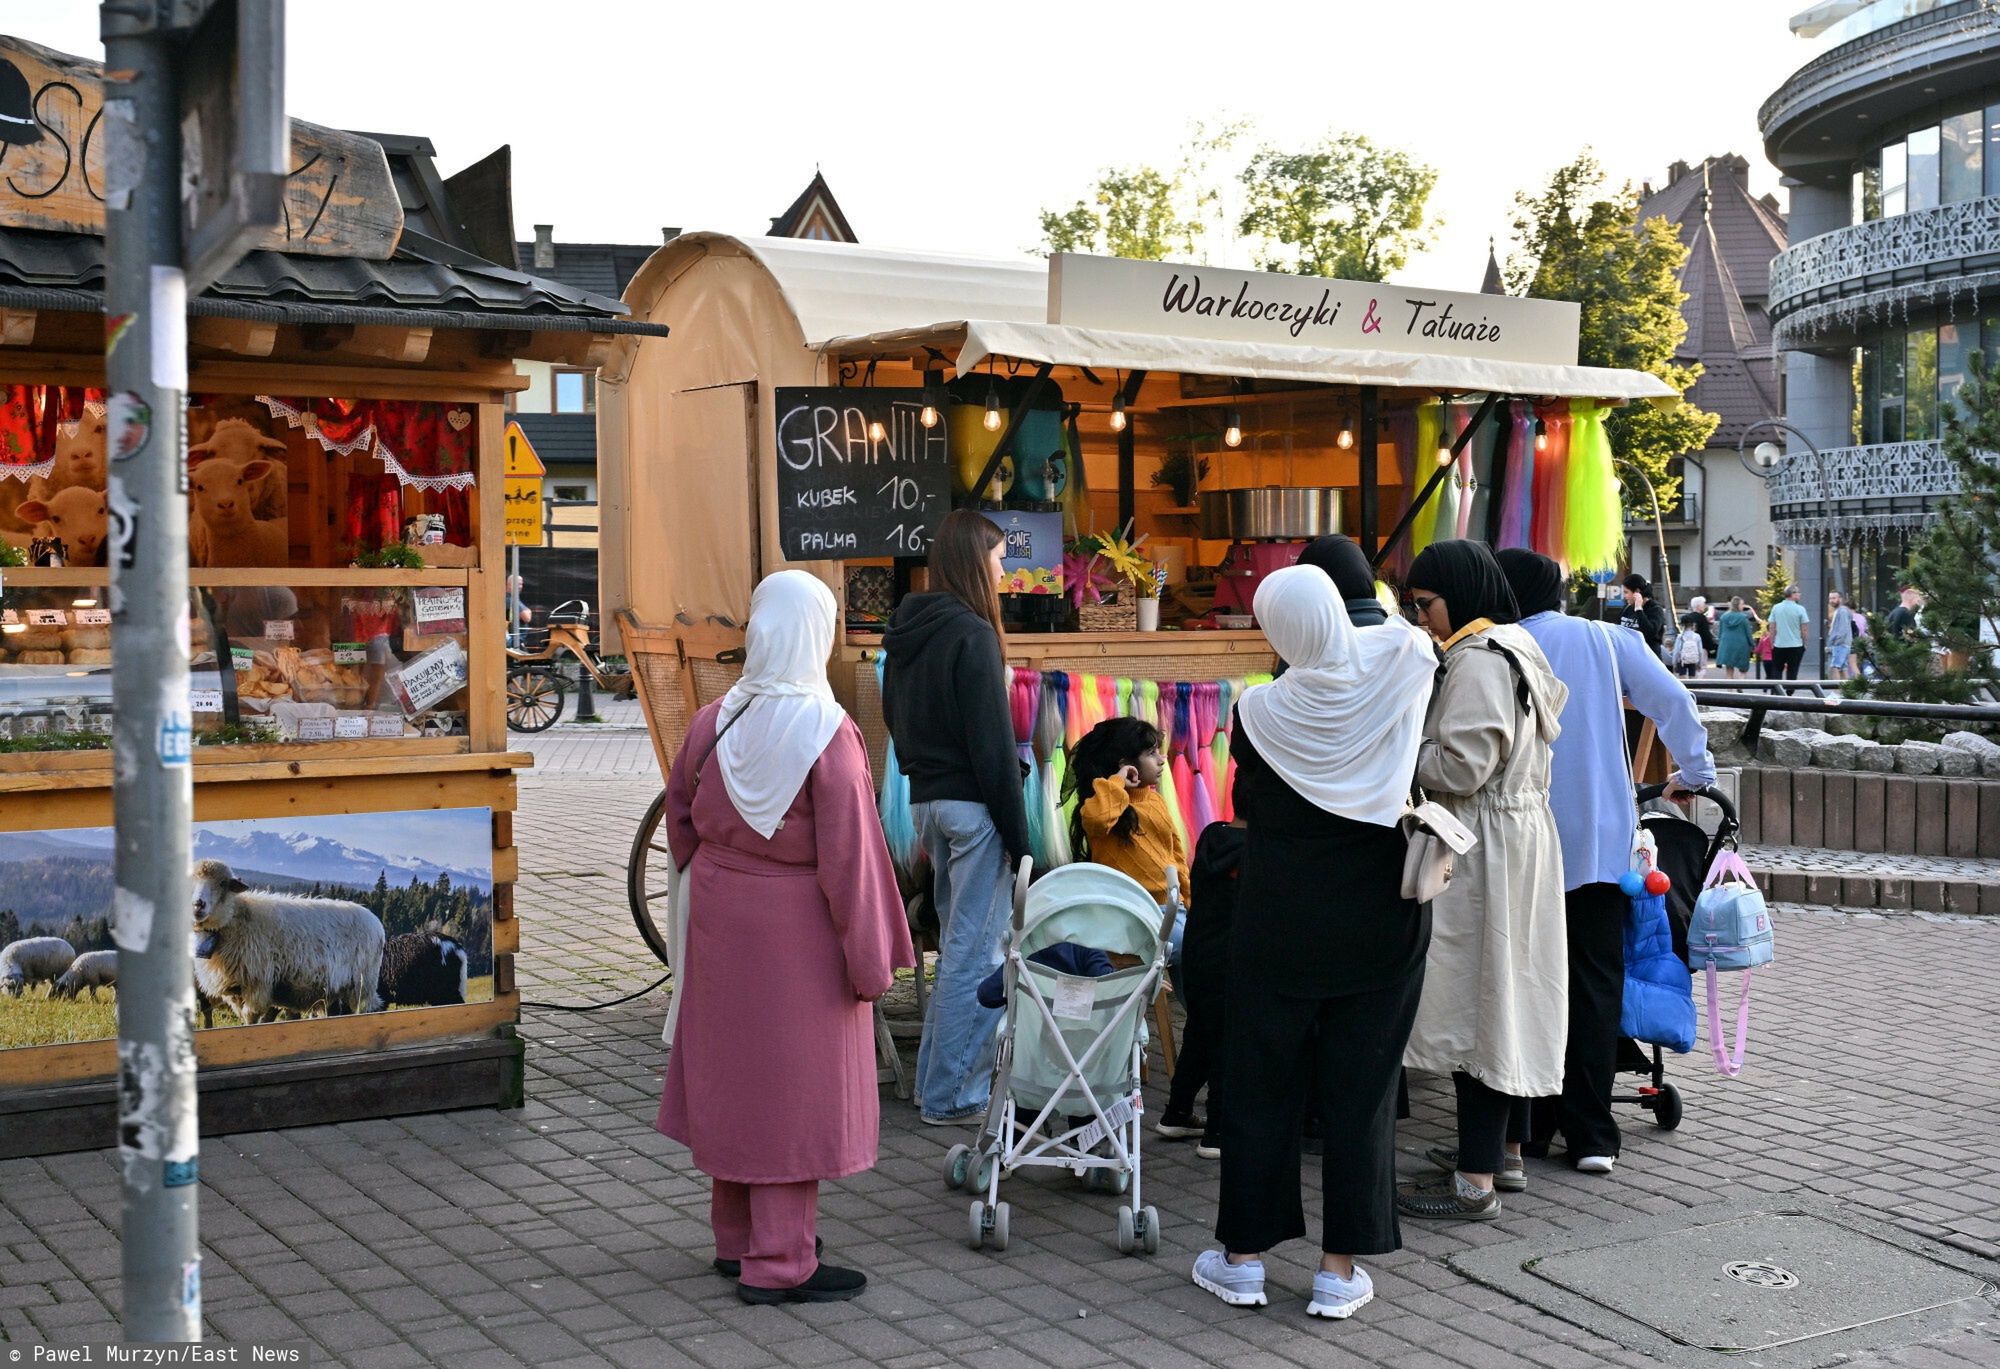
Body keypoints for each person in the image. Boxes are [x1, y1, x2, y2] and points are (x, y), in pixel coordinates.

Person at [655, 571, 915, 1305]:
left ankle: (735, 1240)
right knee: (790, 1093)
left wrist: (722, 873)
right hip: (798, 933)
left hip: (720, 919)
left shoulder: (714, 720)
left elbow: (680, 820)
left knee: (737, 1079)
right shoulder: (829, 734)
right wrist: (873, 962)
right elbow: (852, 862)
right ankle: (780, 1259)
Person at [1192, 565, 1438, 1322]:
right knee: (1362, 1092)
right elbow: (1405, 631)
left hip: (1279, 921)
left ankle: (1243, 1260)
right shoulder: (1402, 668)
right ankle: (1339, 1270)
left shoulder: (1257, 712)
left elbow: (1252, 798)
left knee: (1260, 1085)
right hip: (1381, 917)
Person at [1498, 550, 1718, 1176]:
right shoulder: (1604, 638)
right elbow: (1672, 699)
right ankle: (1593, 1132)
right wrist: (1695, 772)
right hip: (1598, 840)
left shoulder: (1493, 645)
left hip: (1519, 841)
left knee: (1525, 982)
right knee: (1596, 981)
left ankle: (1527, 1129)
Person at [1397, 540, 1569, 1222]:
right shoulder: (1515, 644)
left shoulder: (1475, 659)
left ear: (1459, 594)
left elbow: (1462, 767)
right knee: (1507, 996)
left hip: (1481, 844)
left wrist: (1399, 746)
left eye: (1425, 603)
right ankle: (1501, 1154)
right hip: (1516, 838)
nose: (1420, 618)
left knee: (1479, 1008)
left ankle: (1475, 1184)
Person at [883, 510, 1033, 1127]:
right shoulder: (973, 634)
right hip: (973, 810)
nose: (1003, 570)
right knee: (977, 953)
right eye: (998, 558)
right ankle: (953, 1095)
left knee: (958, 949)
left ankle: (933, 1086)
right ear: (975, 559)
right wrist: (1022, 841)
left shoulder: (907, 630)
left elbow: (893, 719)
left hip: (927, 803)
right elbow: (992, 749)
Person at [1064, 717, 1200, 1138]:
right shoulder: (1105, 805)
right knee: (1203, 961)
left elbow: (1176, 858)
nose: (1162, 759)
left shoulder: (1155, 802)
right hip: (1130, 920)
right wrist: (1117, 783)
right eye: (1151, 753)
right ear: (1126, 763)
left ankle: (1203, 1054)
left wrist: (1188, 904)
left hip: (1171, 914)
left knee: (1203, 981)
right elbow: (1096, 818)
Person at [1178, 818, 1246, 1160]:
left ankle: (1176, 1112)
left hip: (1197, 951)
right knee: (1227, 1046)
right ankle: (1217, 1132)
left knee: (1199, 1035)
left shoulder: (1211, 836)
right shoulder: (1258, 849)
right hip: (1232, 960)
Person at [1617, 574, 1669, 658]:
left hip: (1648, 657)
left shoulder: (1655, 609)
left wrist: (1639, 609)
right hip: (1629, 656)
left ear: (1637, 592)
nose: (1624, 596)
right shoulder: (1627, 608)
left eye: (1626, 592)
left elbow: (1649, 632)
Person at [1769, 585, 1810, 683]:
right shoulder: (1800, 609)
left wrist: (1772, 642)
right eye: (1798, 592)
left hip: (1779, 645)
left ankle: (1777, 689)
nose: (1800, 594)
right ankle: (1790, 690)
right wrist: (1805, 643)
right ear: (1793, 594)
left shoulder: (1776, 608)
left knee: (1777, 669)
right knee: (1793, 670)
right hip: (1796, 645)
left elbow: (1772, 627)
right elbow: (1804, 629)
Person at [1715, 597, 1758, 680]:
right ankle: (1740, 684)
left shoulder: (1723, 617)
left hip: (1726, 645)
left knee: (1729, 670)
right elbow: (1748, 633)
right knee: (1743, 670)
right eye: (1742, 604)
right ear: (1737, 605)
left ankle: (1729, 687)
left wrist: (1720, 645)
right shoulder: (1743, 618)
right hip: (1741, 646)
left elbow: (1721, 633)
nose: (1743, 606)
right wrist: (1753, 645)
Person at [1825, 591, 1857, 681]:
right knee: (1843, 669)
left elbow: (1843, 630)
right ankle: (1846, 688)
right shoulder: (1840, 611)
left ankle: (1836, 689)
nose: (1831, 600)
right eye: (1830, 598)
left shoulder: (1842, 611)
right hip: (1842, 644)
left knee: (1835, 667)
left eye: (1834, 598)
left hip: (1840, 644)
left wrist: (1836, 642)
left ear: (1840, 599)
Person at [1671, 613, 1706, 680]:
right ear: (1693, 624)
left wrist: (1674, 663)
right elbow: (1700, 651)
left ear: (1682, 625)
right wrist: (1700, 664)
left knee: (1682, 679)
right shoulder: (1697, 636)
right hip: (1693, 660)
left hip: (1682, 661)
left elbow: (1676, 651)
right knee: (1692, 679)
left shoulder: (1680, 637)